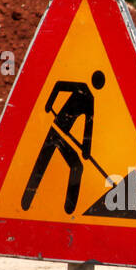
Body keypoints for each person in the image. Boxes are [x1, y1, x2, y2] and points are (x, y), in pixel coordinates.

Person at [21, 70, 107, 214]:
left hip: (62, 136)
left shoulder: (90, 100)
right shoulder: (82, 88)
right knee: (42, 165)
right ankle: (24, 203)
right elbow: (59, 85)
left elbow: (88, 128)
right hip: (55, 131)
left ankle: (69, 210)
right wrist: (49, 104)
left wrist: (86, 150)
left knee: (76, 166)